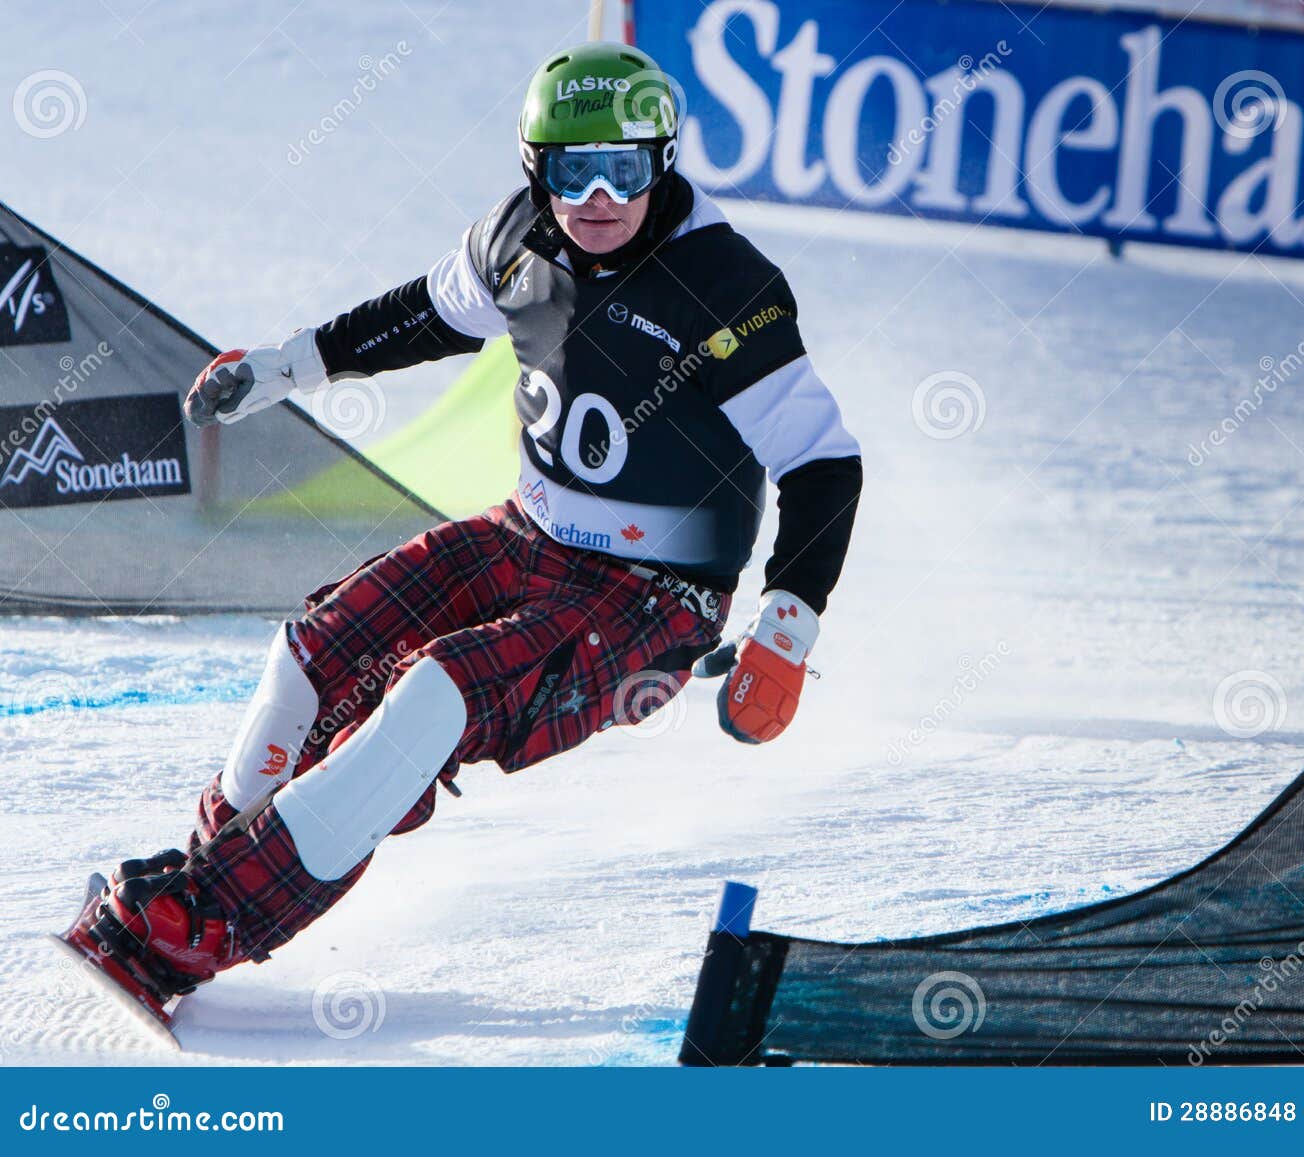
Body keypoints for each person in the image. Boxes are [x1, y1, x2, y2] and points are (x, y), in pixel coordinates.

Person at [59, 42, 861, 1023]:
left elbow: (823, 460)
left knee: (437, 691)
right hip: (529, 534)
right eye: (573, 169)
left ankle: (209, 923)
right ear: (535, 166)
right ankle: (203, 874)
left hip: (658, 599)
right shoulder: (517, 239)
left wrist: (786, 628)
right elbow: (424, 315)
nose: (598, 197)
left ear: (663, 162)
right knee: (315, 650)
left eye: (624, 169)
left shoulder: (724, 285)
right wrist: (281, 368)